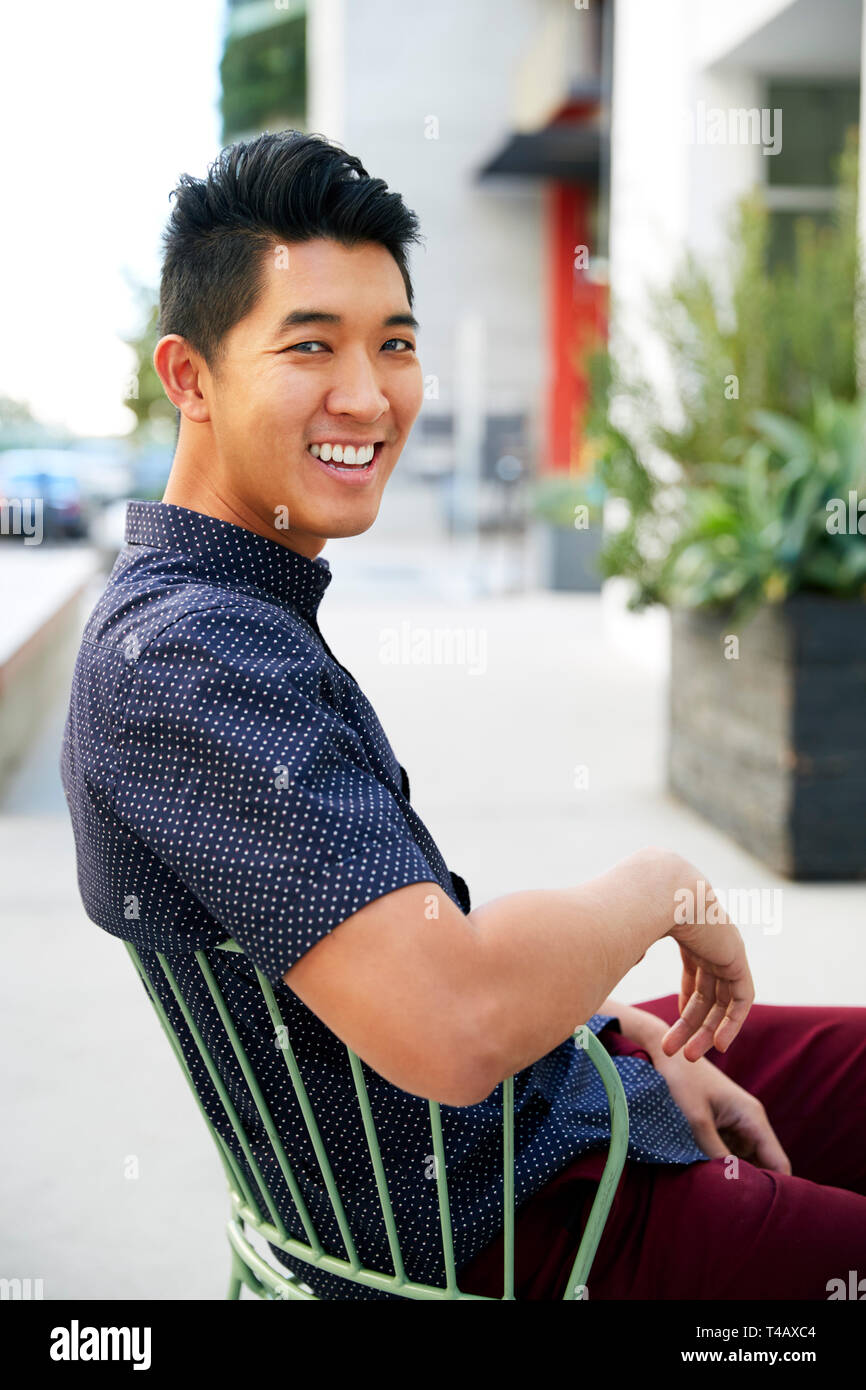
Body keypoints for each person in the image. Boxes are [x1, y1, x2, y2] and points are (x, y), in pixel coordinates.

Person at [60, 130, 866, 1302]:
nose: (367, 393)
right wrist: (657, 887)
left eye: (393, 344)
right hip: (516, 1227)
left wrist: (601, 1033)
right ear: (187, 376)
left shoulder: (228, 610)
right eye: (309, 346)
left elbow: (377, 955)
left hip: (537, 1119)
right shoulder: (188, 657)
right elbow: (451, 1021)